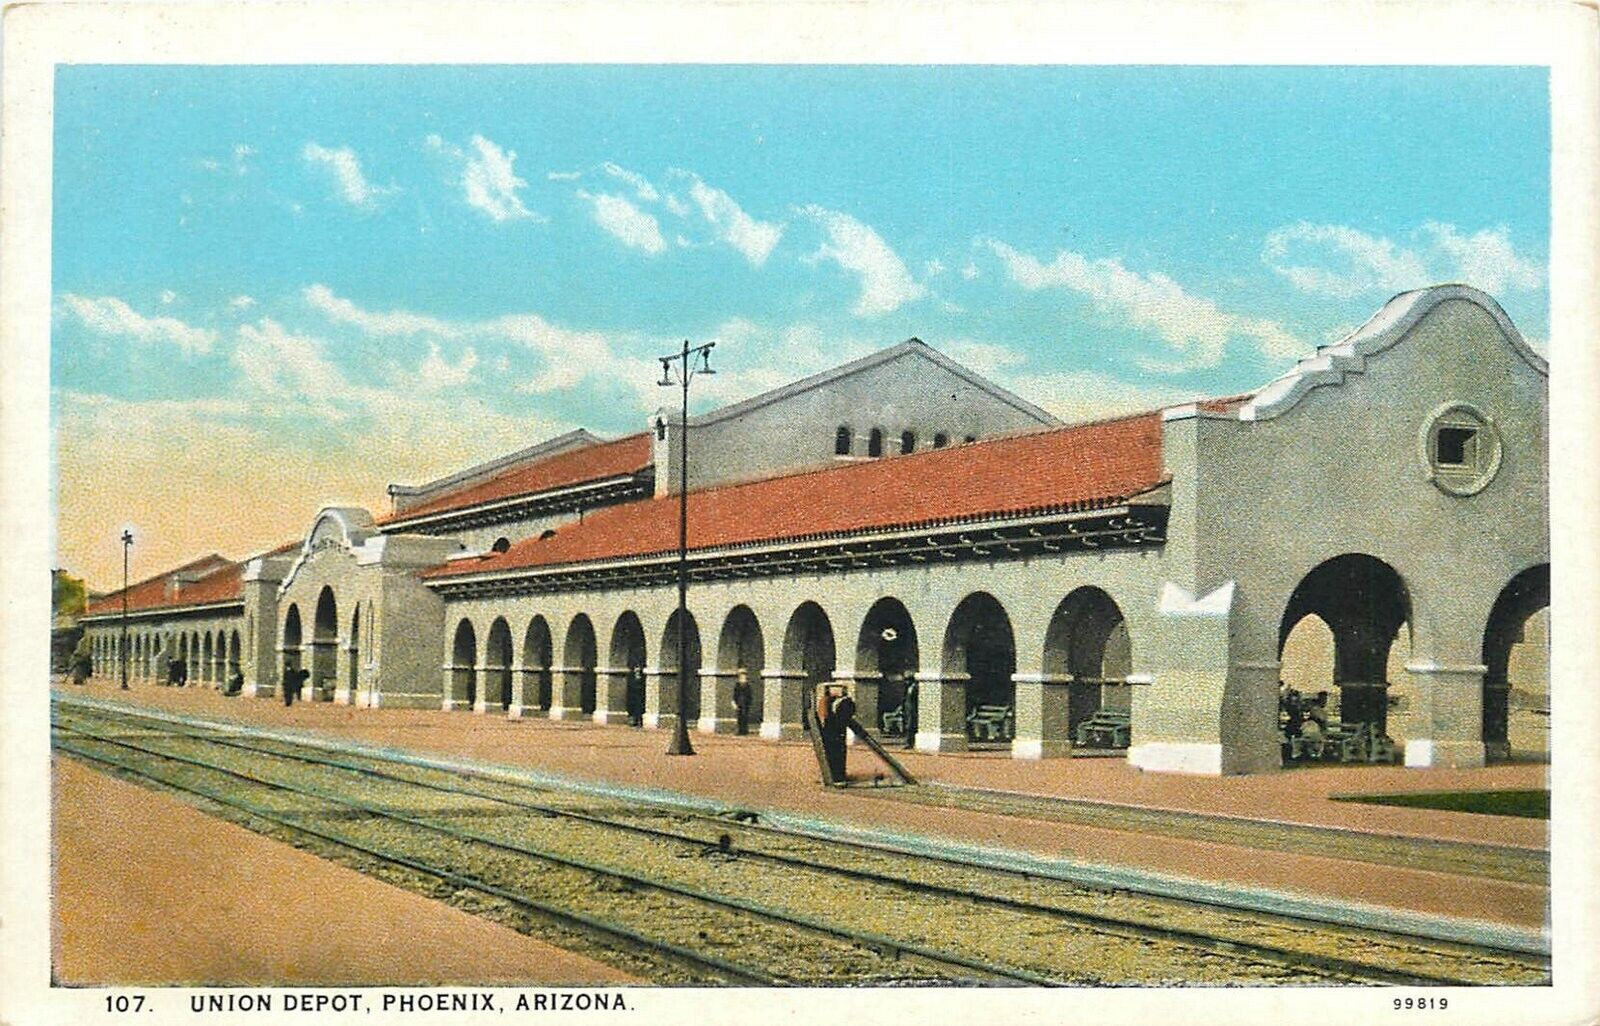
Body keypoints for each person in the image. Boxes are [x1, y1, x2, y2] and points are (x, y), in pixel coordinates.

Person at [826, 686, 855, 783]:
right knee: (832, 754)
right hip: (832, 731)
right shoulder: (833, 701)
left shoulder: (847, 702)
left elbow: (846, 716)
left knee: (839, 754)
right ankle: (833, 775)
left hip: (840, 731)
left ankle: (839, 776)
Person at [732, 669, 752, 735]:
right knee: (739, 717)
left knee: (745, 716)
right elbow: (735, 694)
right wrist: (734, 702)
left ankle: (744, 730)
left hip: (745, 703)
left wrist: (749, 703)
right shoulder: (737, 685)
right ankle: (740, 730)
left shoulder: (747, 685)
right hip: (739, 702)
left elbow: (749, 695)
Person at [902, 676, 919, 749]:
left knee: (910, 726)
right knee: (907, 726)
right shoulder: (907, 688)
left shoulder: (916, 687)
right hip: (907, 710)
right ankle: (908, 742)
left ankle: (910, 743)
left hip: (912, 710)